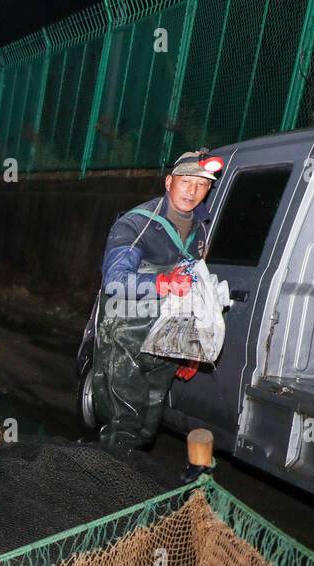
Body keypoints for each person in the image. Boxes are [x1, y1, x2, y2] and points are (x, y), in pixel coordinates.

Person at [92, 149, 224, 452]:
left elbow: (193, 290)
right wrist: (162, 283)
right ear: (169, 182)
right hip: (125, 339)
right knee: (122, 427)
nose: (192, 191)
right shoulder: (137, 224)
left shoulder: (201, 229)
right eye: (186, 181)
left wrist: (191, 348)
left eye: (202, 184)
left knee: (147, 429)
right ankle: (106, 494)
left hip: (163, 343)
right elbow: (115, 280)